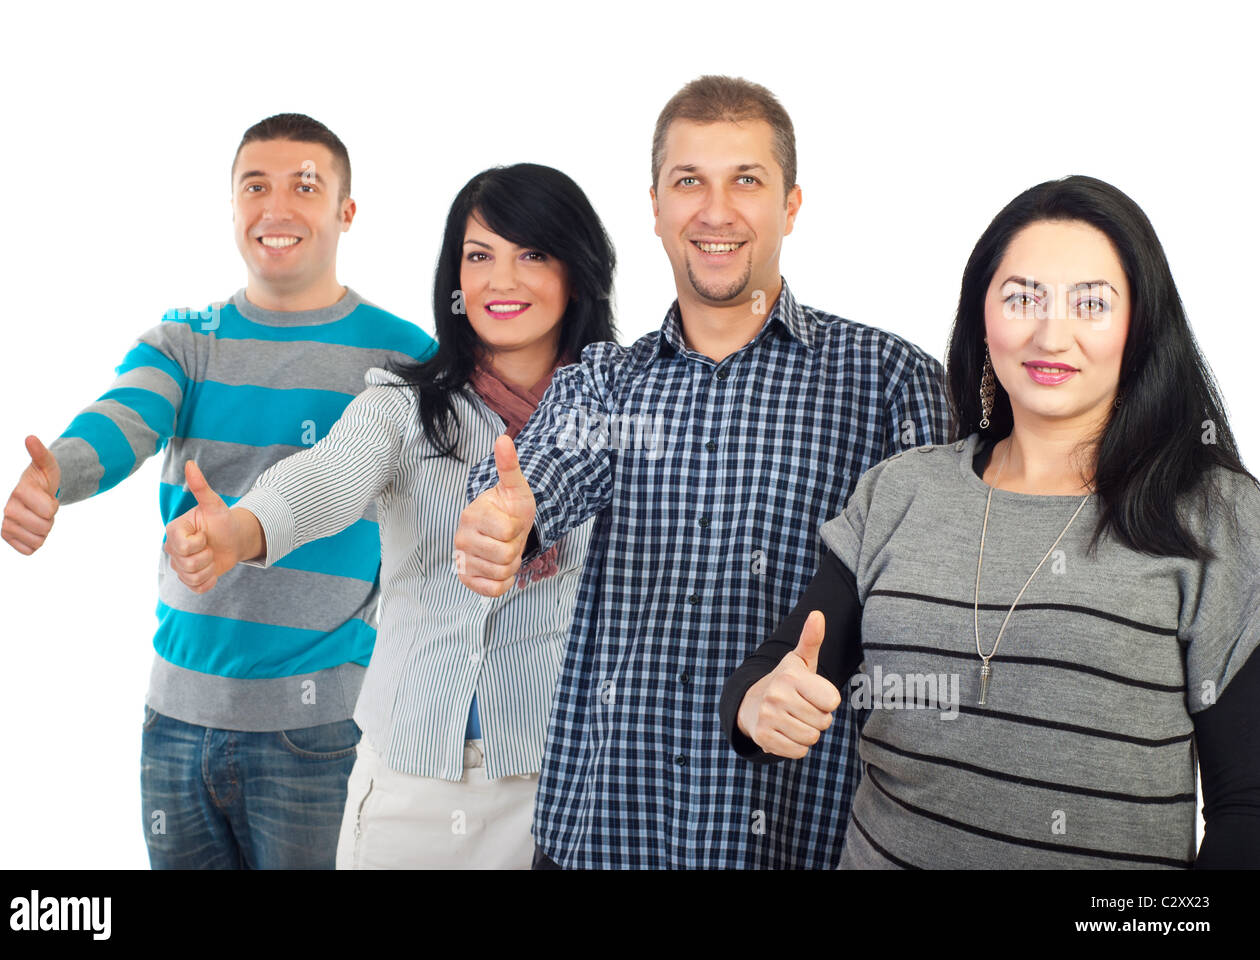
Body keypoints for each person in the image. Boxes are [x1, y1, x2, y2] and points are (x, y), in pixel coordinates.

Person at [454, 76, 951, 869]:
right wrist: (503, 517)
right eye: (690, 182)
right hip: (604, 836)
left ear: (791, 205)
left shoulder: (890, 380)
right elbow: (539, 476)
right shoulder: (606, 380)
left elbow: (937, 604)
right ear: (655, 207)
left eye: (745, 180)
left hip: (791, 838)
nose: (716, 212)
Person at [722, 174, 1260, 869]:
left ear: (1140, 324)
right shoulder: (899, 490)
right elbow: (777, 669)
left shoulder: (1216, 516)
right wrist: (757, 705)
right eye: (1021, 298)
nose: (1051, 334)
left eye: (1091, 302)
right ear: (983, 316)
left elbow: (1247, 806)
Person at [0, 113, 435, 869]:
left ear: (347, 211)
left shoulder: (404, 355)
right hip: (174, 721)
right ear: (232, 206)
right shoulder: (185, 338)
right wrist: (56, 474)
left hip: (318, 731)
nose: (276, 207)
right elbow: (125, 416)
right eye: (255, 186)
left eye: (305, 187)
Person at [163, 163, 617, 868]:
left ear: (576, 273)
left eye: (532, 254)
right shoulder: (403, 407)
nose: (501, 281)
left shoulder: (622, 417)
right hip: (411, 785)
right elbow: (326, 476)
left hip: (565, 783)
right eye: (478, 256)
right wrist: (243, 529)